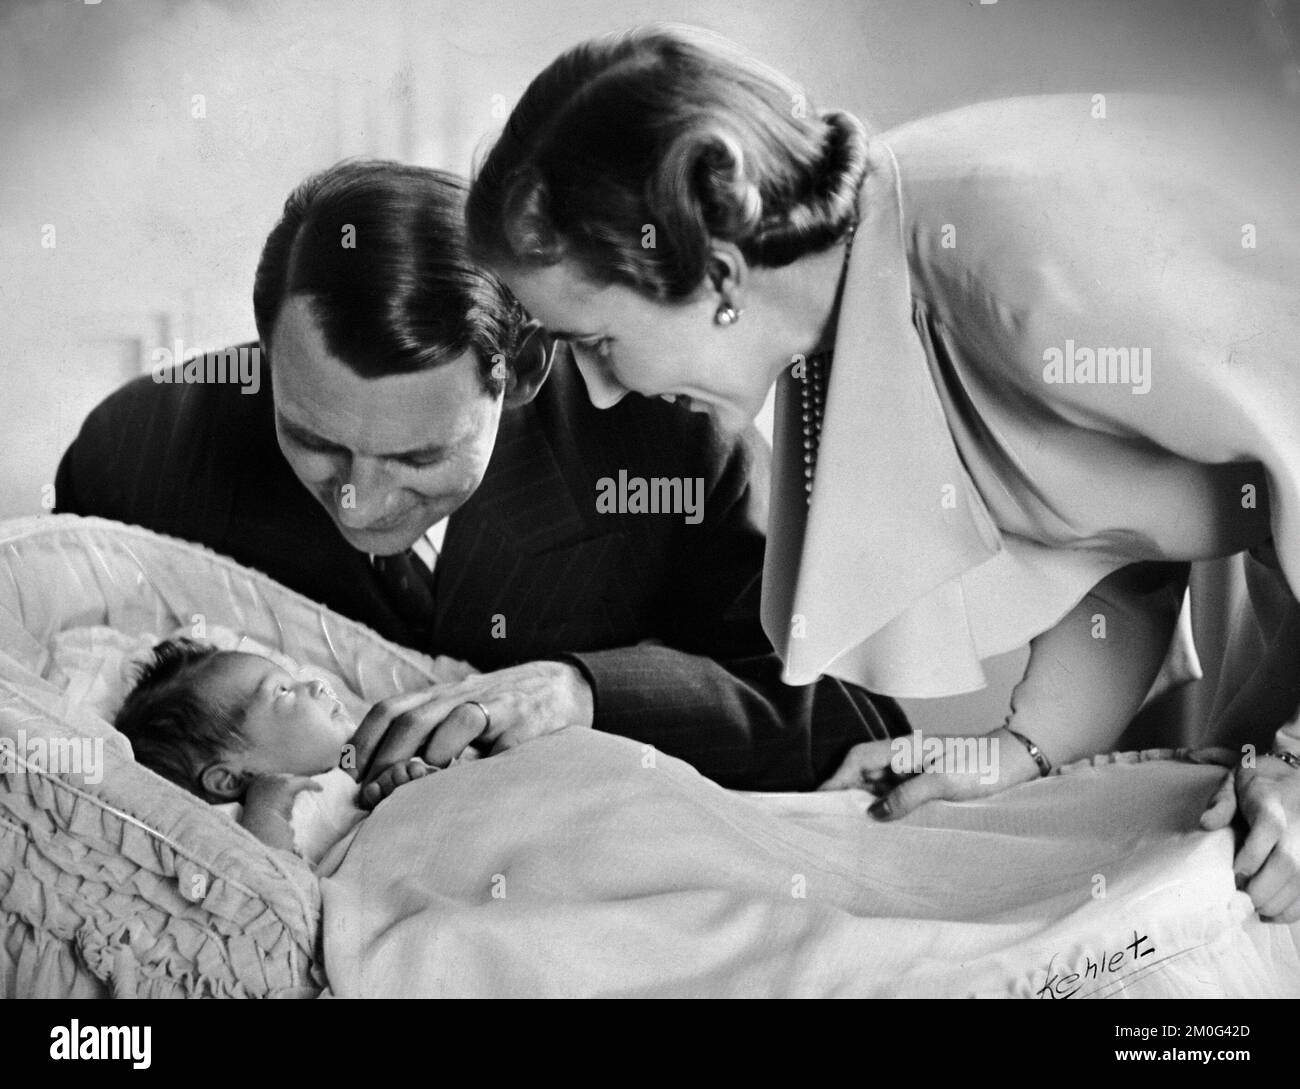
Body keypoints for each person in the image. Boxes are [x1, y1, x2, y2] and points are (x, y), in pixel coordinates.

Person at [465, 27, 1300, 920]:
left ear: (715, 273)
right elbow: (1124, 529)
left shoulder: (1007, 259)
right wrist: (1020, 749)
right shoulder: (876, 303)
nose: (597, 391)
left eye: (597, 341)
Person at [56, 159, 908, 793]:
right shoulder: (144, 451)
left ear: (525, 370)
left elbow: (856, 718)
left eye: (419, 457)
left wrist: (584, 691)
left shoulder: (679, 445)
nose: (362, 499)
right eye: (312, 438)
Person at [114, 639, 432, 852]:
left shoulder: (354, 763)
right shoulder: (244, 823)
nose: (317, 684)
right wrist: (267, 816)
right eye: (282, 692)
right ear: (231, 779)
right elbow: (274, 894)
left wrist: (403, 789)